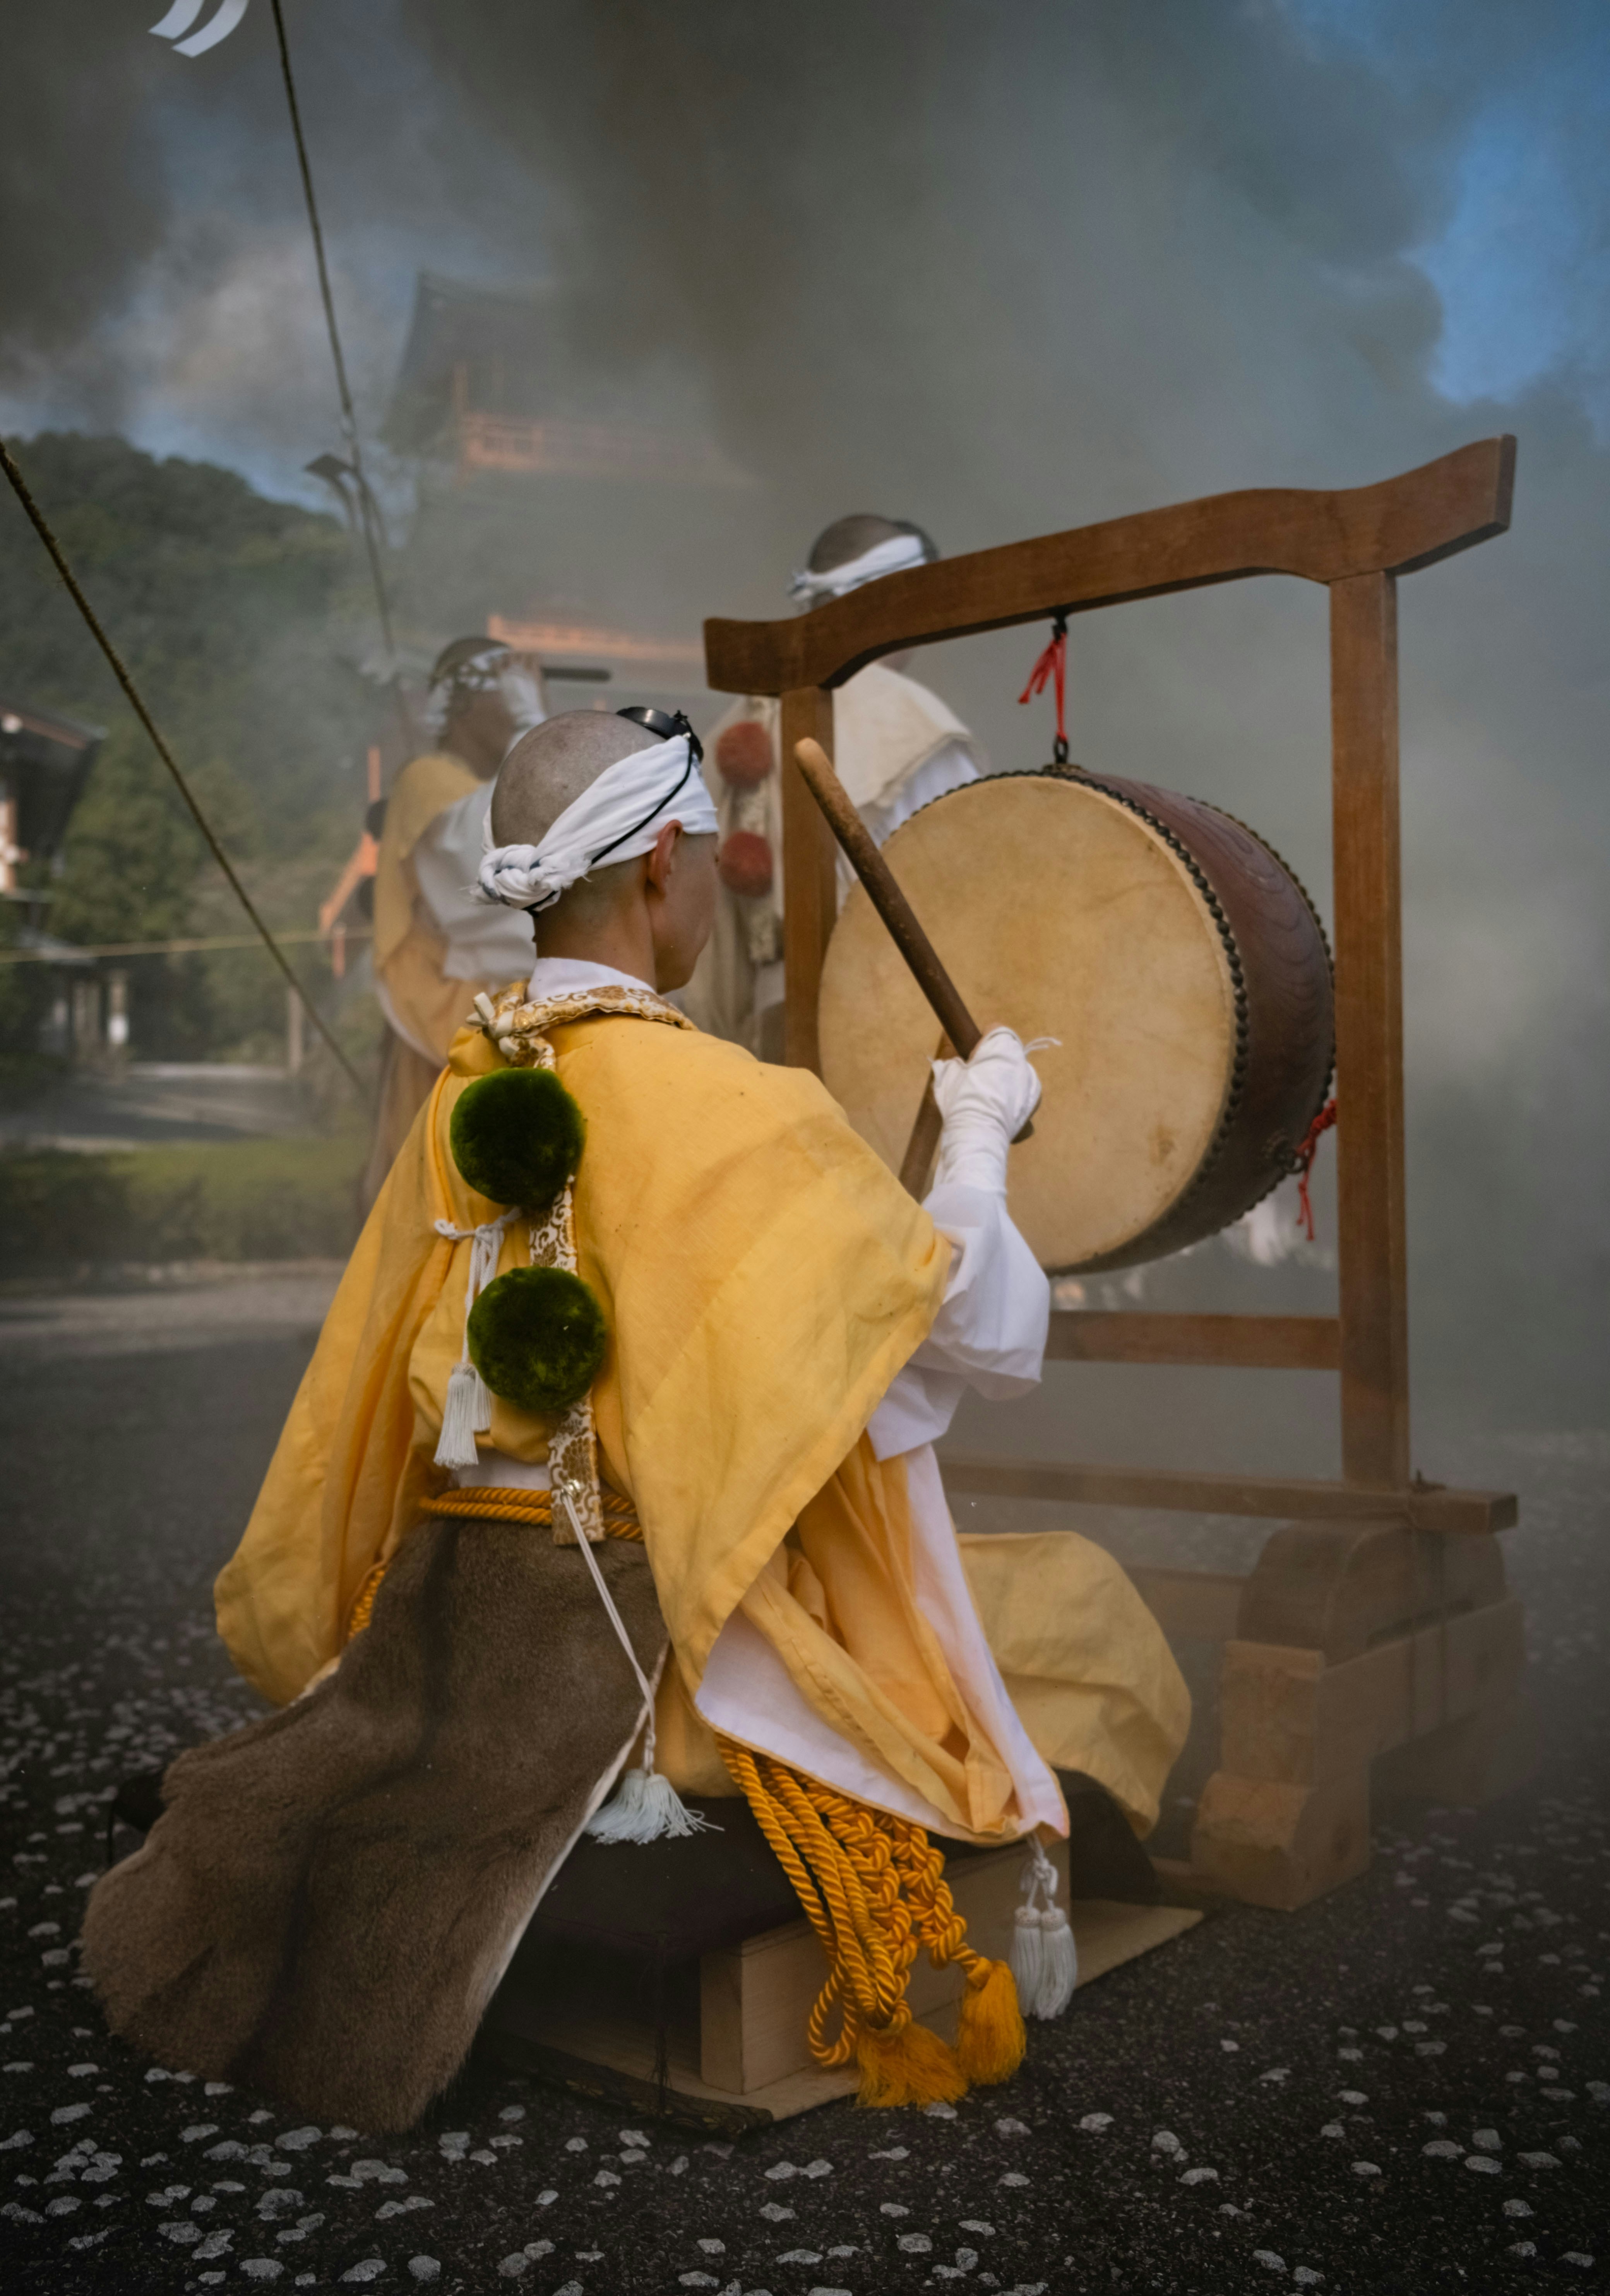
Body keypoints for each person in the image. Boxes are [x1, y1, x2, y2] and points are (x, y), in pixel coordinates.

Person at [83, 707, 1187, 2133]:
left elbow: (355, 1401)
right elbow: (973, 1332)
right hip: (673, 1671)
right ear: (664, 865)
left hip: (453, 1633)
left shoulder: (474, 1090)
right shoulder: (728, 1105)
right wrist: (979, 1132)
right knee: (1082, 1613)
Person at [682, 513, 983, 1058]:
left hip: (764, 1044)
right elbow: (973, 891)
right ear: (904, 599)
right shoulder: (910, 721)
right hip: (889, 1031)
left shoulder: (731, 729)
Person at [361, 636, 548, 1206]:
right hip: (457, 1026)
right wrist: (532, 720)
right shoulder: (427, 780)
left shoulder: (474, 785)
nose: (522, 697)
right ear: (466, 700)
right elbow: (500, 848)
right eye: (508, 688)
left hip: (517, 1017)